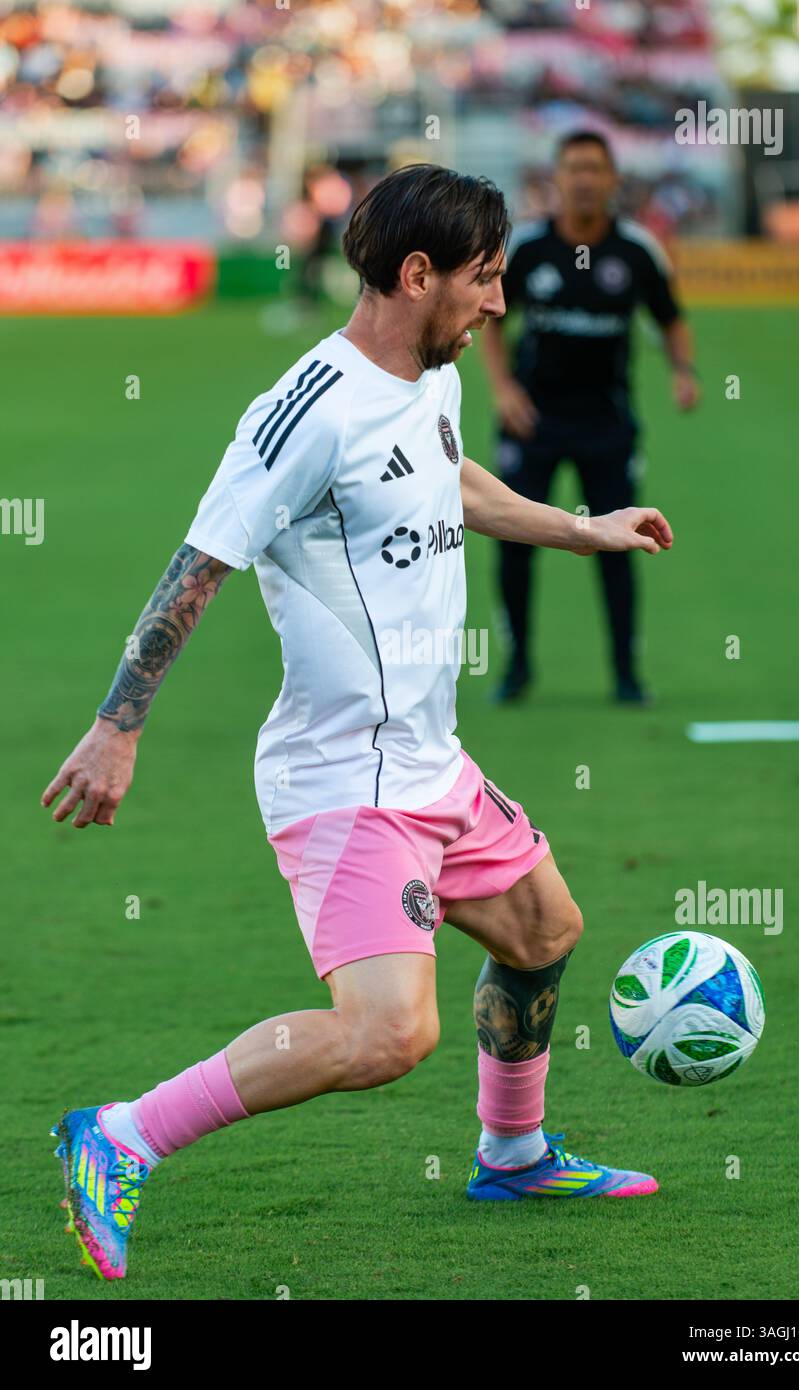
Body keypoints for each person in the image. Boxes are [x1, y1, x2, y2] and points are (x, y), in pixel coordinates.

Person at [42, 163, 673, 1282]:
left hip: (432, 762)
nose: (497, 305)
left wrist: (583, 530)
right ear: (414, 273)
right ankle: (122, 1132)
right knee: (390, 1033)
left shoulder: (429, 376)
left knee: (543, 933)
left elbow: (445, 479)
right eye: (482, 281)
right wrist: (116, 726)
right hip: (345, 779)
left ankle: (513, 1151)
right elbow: (200, 565)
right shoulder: (302, 413)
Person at [482, 131, 699, 704]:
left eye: (593, 169)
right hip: (534, 422)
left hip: (607, 423)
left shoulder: (635, 250)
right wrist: (503, 390)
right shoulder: (528, 249)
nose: (582, 179)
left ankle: (626, 674)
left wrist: (684, 371)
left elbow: (671, 317)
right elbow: (491, 319)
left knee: (621, 543)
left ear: (611, 180)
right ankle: (518, 666)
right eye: (572, 167)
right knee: (512, 542)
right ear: (556, 177)